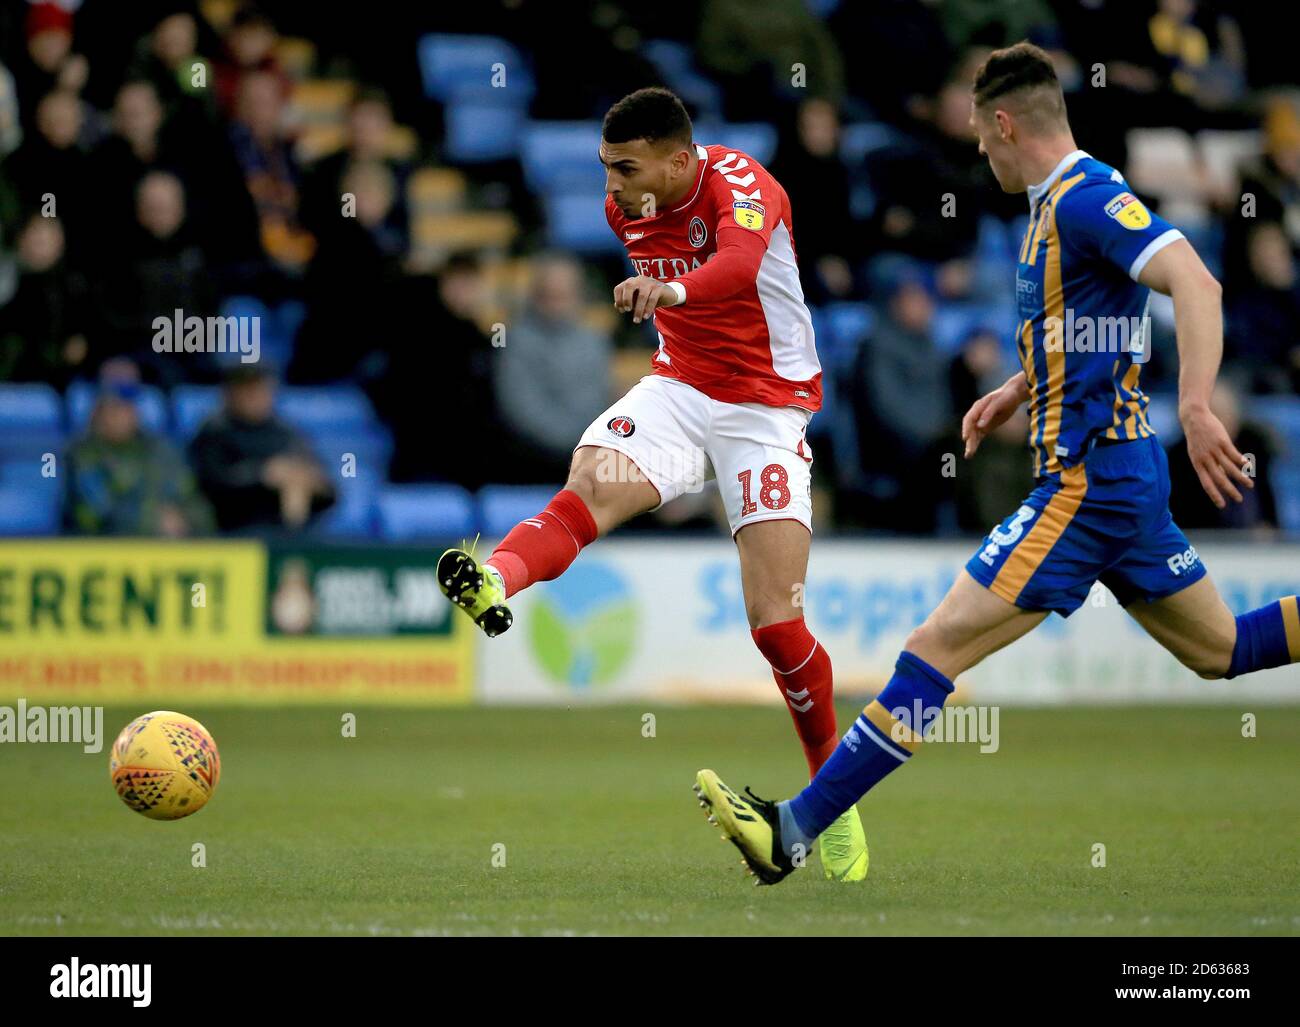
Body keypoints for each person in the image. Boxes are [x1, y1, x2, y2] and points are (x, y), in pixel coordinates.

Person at [693, 42, 1298, 885]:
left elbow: (1196, 282)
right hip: (1119, 479)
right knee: (1222, 648)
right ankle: (793, 829)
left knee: (934, 646)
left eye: (982, 133)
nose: (977, 149)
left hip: (1088, 486)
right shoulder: (1061, 206)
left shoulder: (1086, 200)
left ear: (1006, 124)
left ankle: (791, 831)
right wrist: (1024, 385)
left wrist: (1195, 406)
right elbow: (1094, 317)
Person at [437, 87, 868, 882]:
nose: (612, 187)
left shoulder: (743, 183)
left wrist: (670, 289)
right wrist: (668, 301)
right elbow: (675, 279)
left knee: (775, 623)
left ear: (679, 161)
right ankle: (494, 577)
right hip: (680, 388)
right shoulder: (624, 208)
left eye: (626, 169)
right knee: (591, 484)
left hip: (765, 409)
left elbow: (738, 267)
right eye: (604, 169)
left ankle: (831, 795)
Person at [189, 365, 335, 532]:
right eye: (247, 390)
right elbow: (211, 484)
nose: (255, 396)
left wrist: (307, 480)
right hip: (231, 529)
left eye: (260, 389)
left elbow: (329, 491)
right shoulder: (214, 432)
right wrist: (263, 474)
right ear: (229, 394)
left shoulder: (285, 432)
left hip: (285, 530)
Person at [64, 376, 213, 537]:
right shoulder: (82, 455)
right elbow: (95, 511)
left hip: (175, 548)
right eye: (114, 409)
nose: (123, 415)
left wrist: (187, 520)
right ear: (97, 414)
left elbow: (192, 498)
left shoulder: (161, 451)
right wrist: (153, 522)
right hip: (106, 549)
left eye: (128, 408)